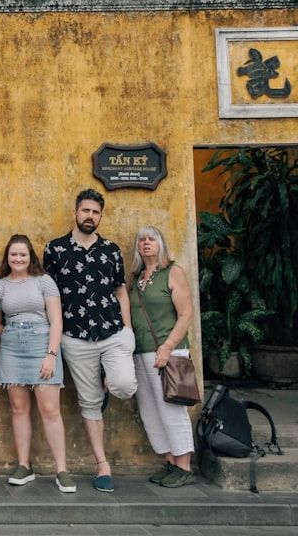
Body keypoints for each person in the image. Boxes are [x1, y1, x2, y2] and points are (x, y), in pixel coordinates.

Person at [44, 188, 136, 493]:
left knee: (124, 385)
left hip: (112, 332)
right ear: (75, 213)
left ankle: (108, 380)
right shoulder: (55, 250)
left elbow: (120, 290)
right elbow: (49, 295)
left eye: (95, 212)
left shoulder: (111, 250)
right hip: (75, 338)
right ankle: (102, 466)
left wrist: (128, 328)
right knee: (89, 402)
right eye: (85, 211)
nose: (90, 216)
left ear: (100, 216)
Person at [0, 235, 75, 493]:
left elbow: (57, 320)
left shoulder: (44, 281)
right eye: (13, 254)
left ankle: (62, 470)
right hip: (12, 347)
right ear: (7, 257)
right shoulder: (0, 286)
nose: (18, 259)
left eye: (23, 254)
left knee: (50, 410)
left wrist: (51, 354)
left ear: (30, 256)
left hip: (42, 345)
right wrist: (13, 337)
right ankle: (24, 466)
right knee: (18, 408)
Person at [128, 226, 196, 488]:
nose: (146, 243)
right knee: (150, 411)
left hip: (168, 352)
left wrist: (167, 347)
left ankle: (184, 466)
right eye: (142, 239)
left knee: (171, 409)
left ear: (161, 244)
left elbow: (186, 314)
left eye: (151, 239)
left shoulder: (173, 271)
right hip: (141, 352)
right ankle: (170, 463)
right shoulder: (136, 277)